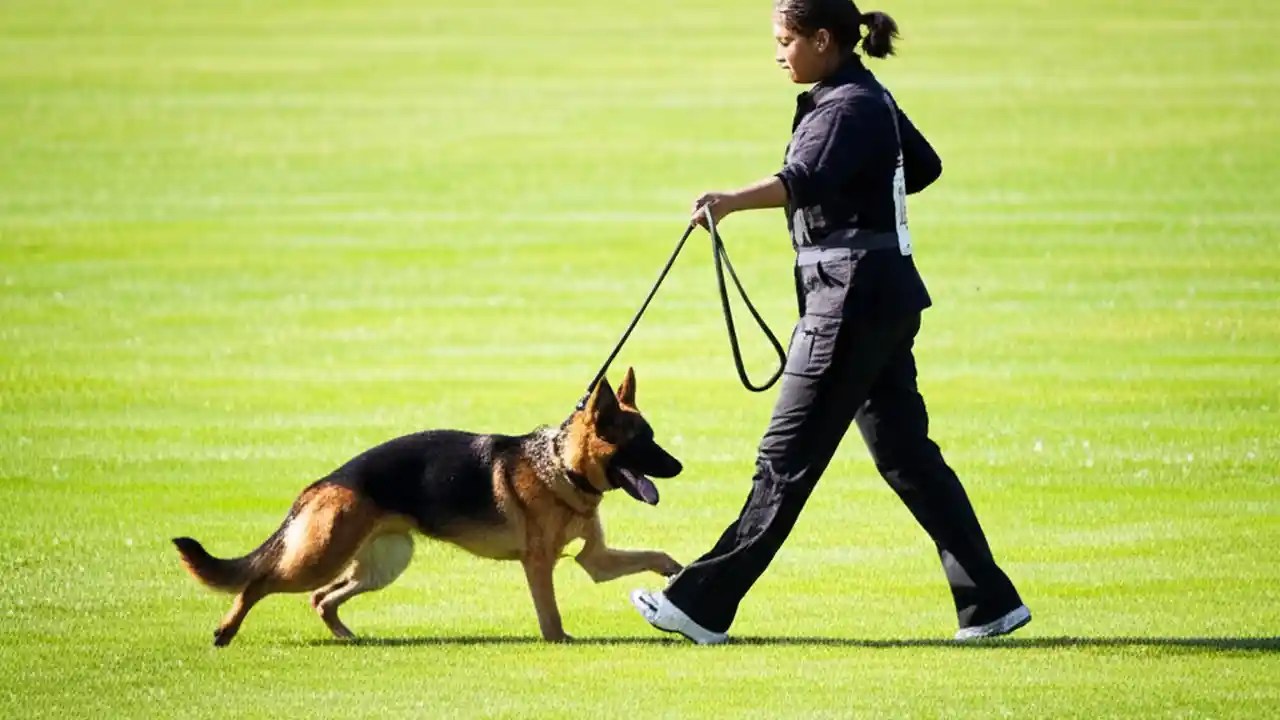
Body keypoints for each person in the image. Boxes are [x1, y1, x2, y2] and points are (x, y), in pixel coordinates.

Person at [629, 0, 1030, 644]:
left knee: (784, 460)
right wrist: (860, 189)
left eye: (785, 40)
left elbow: (802, 179)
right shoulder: (867, 98)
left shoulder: (847, 106)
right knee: (907, 457)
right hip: (881, 299)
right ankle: (989, 604)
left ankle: (699, 607)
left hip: (846, 303)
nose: (778, 53)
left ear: (822, 39)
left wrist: (728, 202)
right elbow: (922, 167)